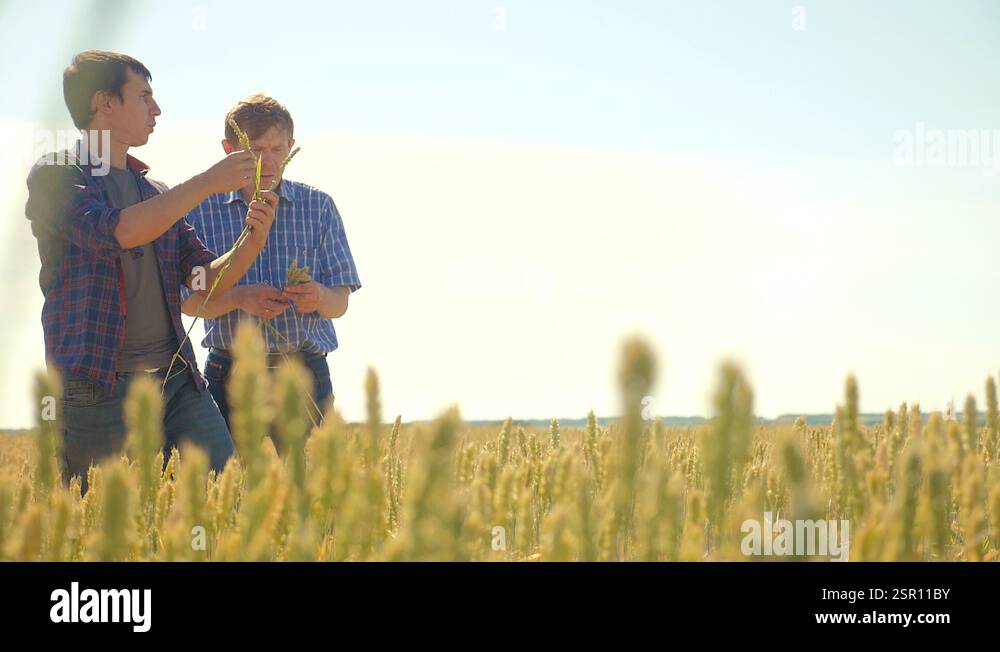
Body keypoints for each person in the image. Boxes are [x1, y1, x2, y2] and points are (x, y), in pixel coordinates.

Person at [24, 51, 277, 493]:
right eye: (144, 97)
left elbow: (201, 283)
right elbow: (115, 233)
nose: (156, 110)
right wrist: (205, 183)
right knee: (97, 520)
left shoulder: (154, 191)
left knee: (228, 496)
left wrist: (251, 241)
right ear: (103, 103)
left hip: (176, 378)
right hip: (96, 385)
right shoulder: (56, 176)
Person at [181, 93, 361, 449]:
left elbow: (339, 303)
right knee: (226, 490)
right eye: (256, 150)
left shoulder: (318, 207)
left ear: (291, 146)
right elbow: (187, 302)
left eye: (278, 150)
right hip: (229, 373)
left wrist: (318, 296)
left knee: (310, 489)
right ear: (228, 149)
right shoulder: (199, 209)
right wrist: (238, 298)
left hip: (304, 371)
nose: (269, 161)